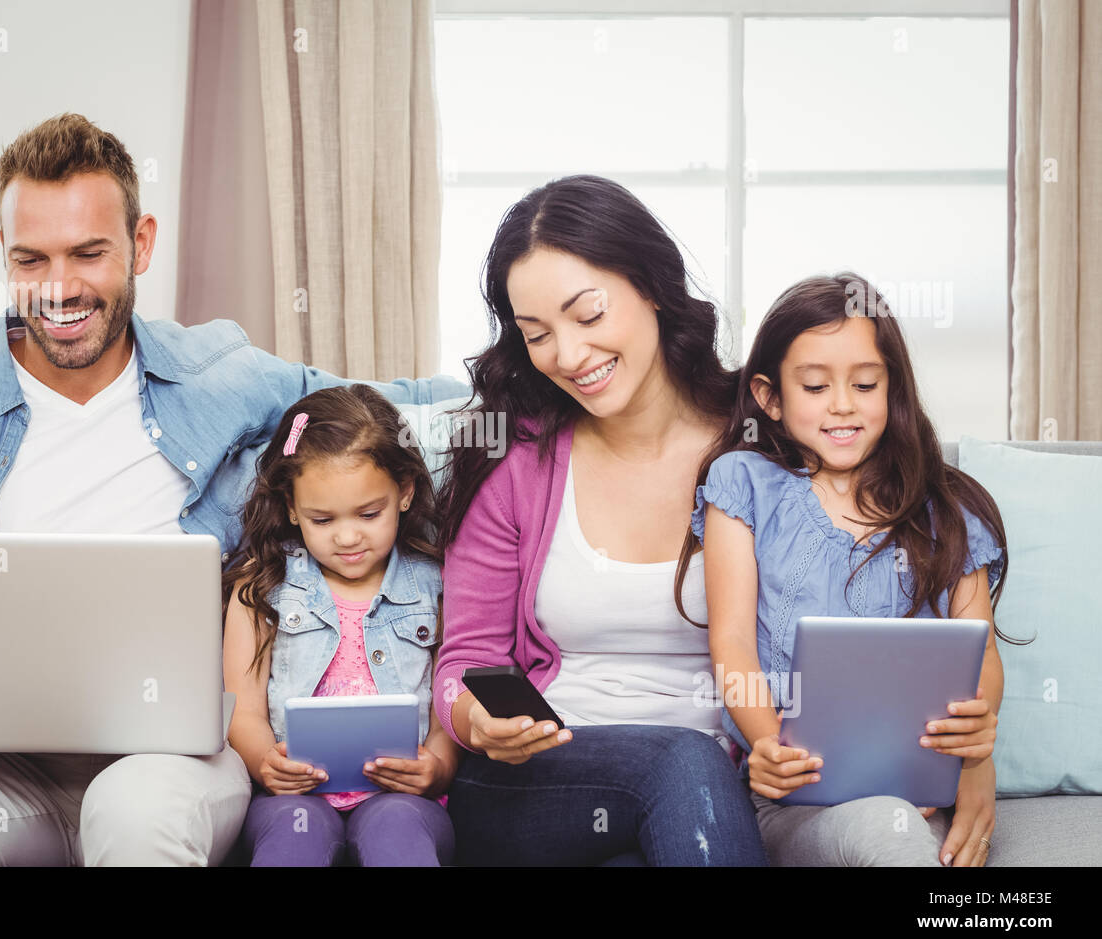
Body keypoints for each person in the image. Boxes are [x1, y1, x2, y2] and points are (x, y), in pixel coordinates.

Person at [0, 113, 467, 866]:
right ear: (4, 254)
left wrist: (531, 393)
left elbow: (393, 410)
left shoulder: (220, 373)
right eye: (32, 258)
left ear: (141, 243)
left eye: (89, 253)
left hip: (169, 757)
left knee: (138, 813)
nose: (60, 287)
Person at [432, 175, 768, 866]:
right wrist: (477, 719)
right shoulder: (512, 459)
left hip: (710, 789)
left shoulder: (761, 441)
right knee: (682, 762)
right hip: (537, 781)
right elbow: (466, 661)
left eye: (588, 314)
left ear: (651, 284)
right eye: (538, 335)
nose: (569, 355)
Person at [687, 273, 1009, 867]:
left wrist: (974, 753)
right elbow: (731, 641)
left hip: (922, 791)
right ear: (771, 397)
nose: (842, 404)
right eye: (814, 386)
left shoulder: (948, 509)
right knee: (886, 833)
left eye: (865, 384)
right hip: (797, 797)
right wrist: (767, 745)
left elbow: (981, 653)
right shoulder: (744, 483)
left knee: (899, 832)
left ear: (892, 388)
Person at [224, 386, 458, 866]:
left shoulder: (437, 584)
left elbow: (447, 713)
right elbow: (240, 709)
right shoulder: (260, 586)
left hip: (404, 799)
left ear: (405, 492)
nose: (348, 536)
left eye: (369, 514)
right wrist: (265, 762)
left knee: (397, 830)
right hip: (291, 799)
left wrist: (437, 769)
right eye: (322, 519)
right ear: (291, 507)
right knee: (293, 836)